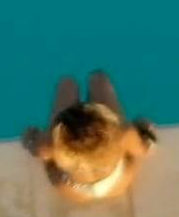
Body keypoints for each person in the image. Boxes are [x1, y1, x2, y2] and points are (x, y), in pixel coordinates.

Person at [25, 70, 159, 202]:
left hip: (75, 191)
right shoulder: (122, 135)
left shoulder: (51, 145)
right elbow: (142, 149)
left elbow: (37, 149)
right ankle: (94, 78)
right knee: (99, 80)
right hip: (115, 186)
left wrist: (31, 138)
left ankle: (69, 81)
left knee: (66, 85)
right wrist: (144, 131)